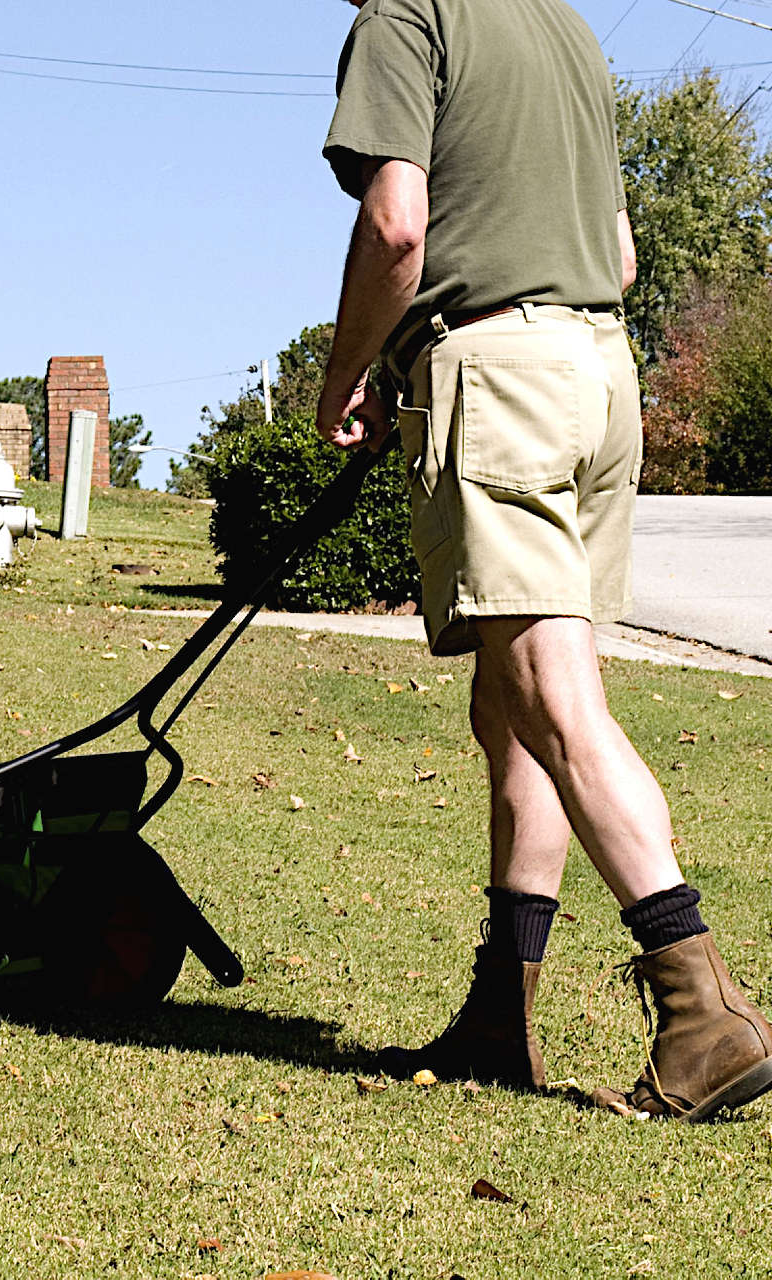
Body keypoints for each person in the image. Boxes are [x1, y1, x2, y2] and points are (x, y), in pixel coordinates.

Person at [314, 0, 772, 1120]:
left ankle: (701, 1006)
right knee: (513, 701)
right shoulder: (565, 29)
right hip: (600, 372)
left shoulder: (403, 17)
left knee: (552, 701)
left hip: (504, 374)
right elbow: (616, 251)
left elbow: (396, 228)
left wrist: (346, 374)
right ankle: (497, 1012)